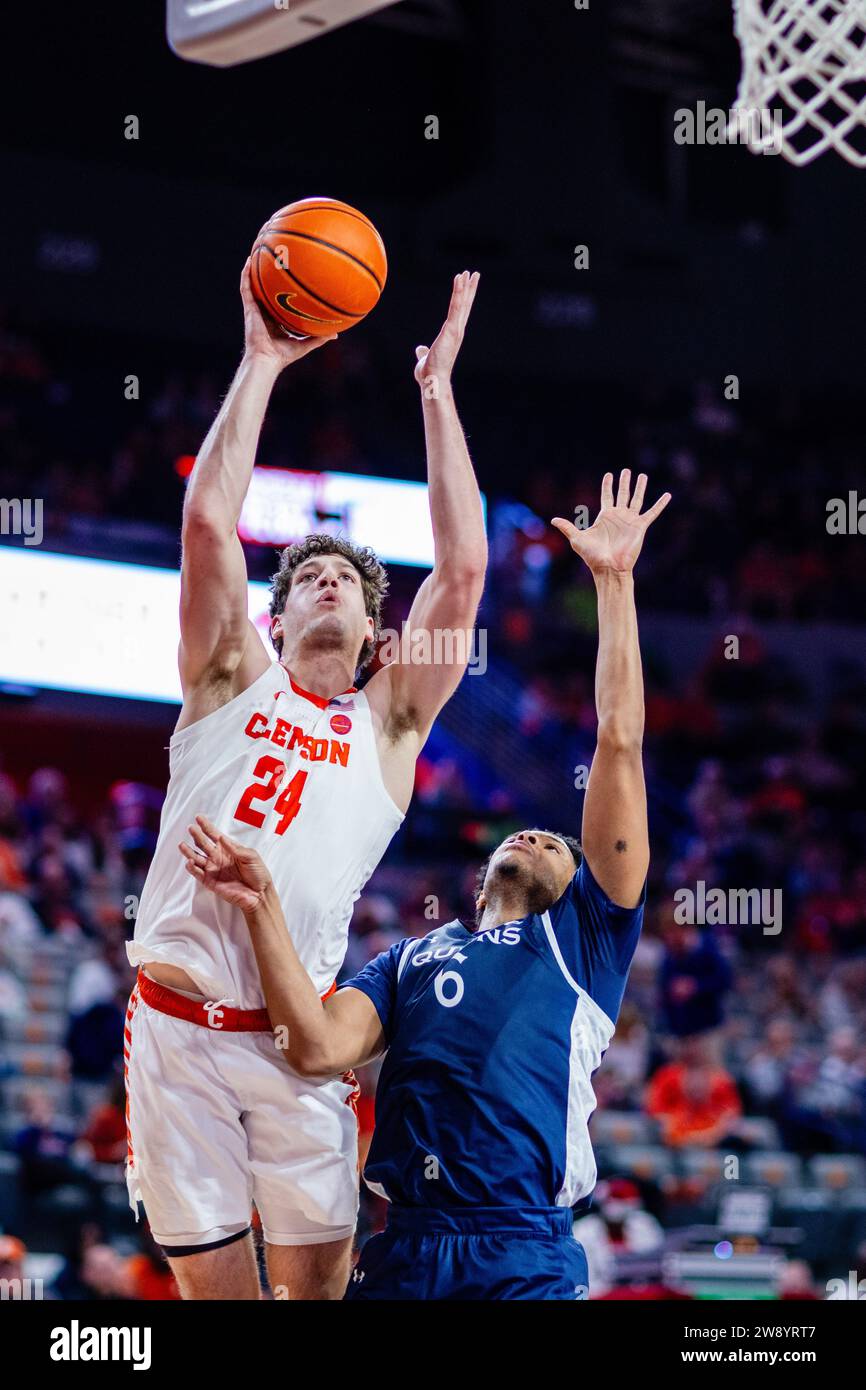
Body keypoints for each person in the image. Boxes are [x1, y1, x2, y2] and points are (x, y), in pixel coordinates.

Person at [178, 470, 669, 1300]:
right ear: (479, 876)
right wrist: (260, 909)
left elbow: (618, 741)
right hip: (405, 1246)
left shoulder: (586, 938)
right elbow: (316, 1048)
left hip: (522, 1248)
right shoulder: (407, 960)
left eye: (562, 844)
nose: (546, 834)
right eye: (532, 833)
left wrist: (614, 585)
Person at [124, 265, 487, 1299]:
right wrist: (261, 361)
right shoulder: (227, 677)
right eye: (305, 578)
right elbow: (206, 527)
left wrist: (437, 392)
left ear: (377, 632)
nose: (326, 579)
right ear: (273, 622)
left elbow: (460, 576)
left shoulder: (390, 723)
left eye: (346, 579)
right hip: (174, 1033)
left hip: (297, 1046)